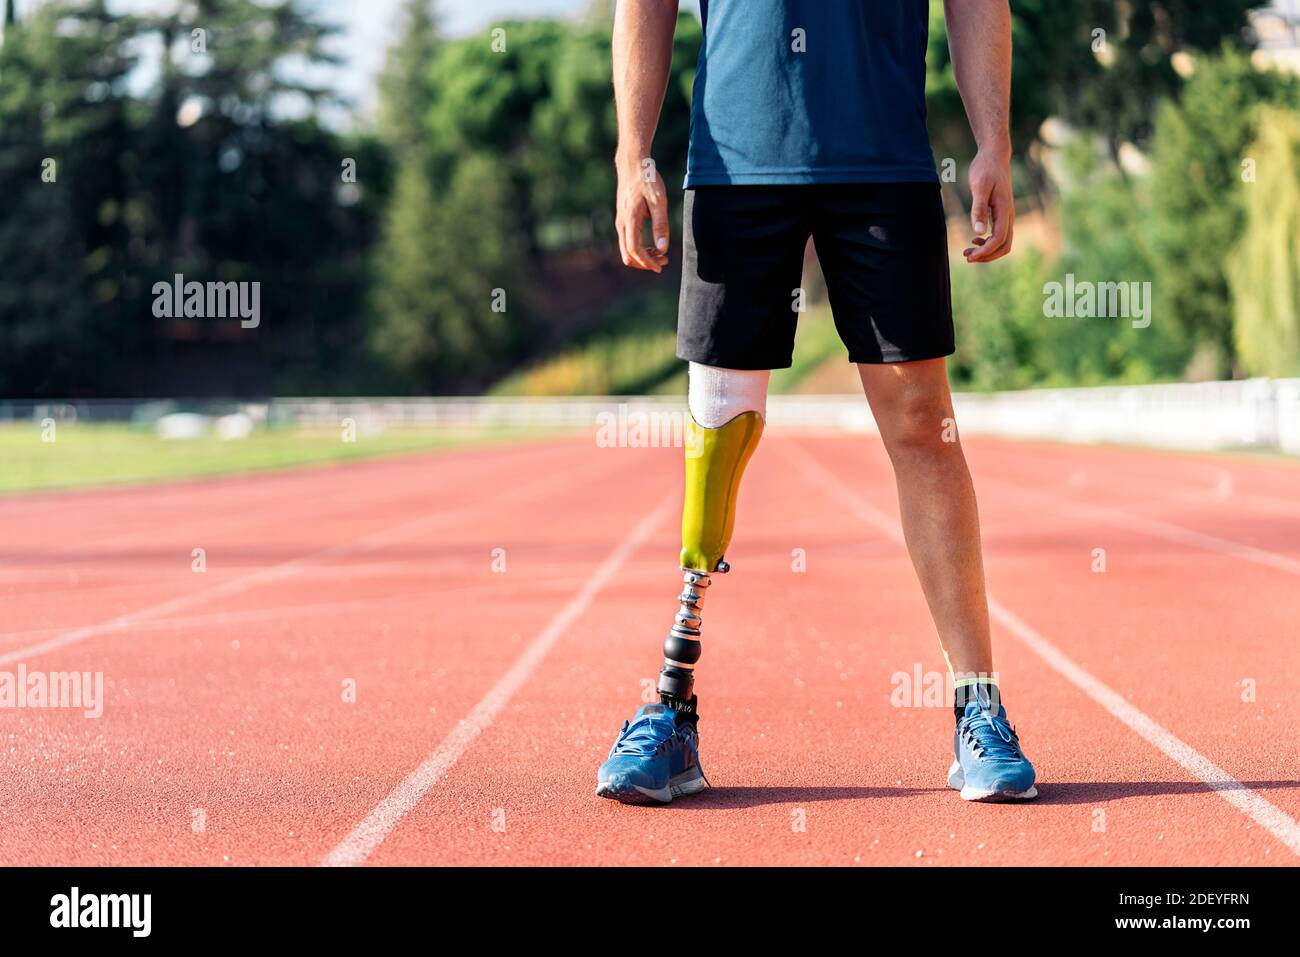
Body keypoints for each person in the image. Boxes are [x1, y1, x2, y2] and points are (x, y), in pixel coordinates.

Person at [597, 0, 1037, 805]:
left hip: (883, 160)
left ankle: (980, 707)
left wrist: (993, 140)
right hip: (736, 159)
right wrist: (632, 154)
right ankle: (671, 706)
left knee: (921, 426)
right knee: (716, 430)